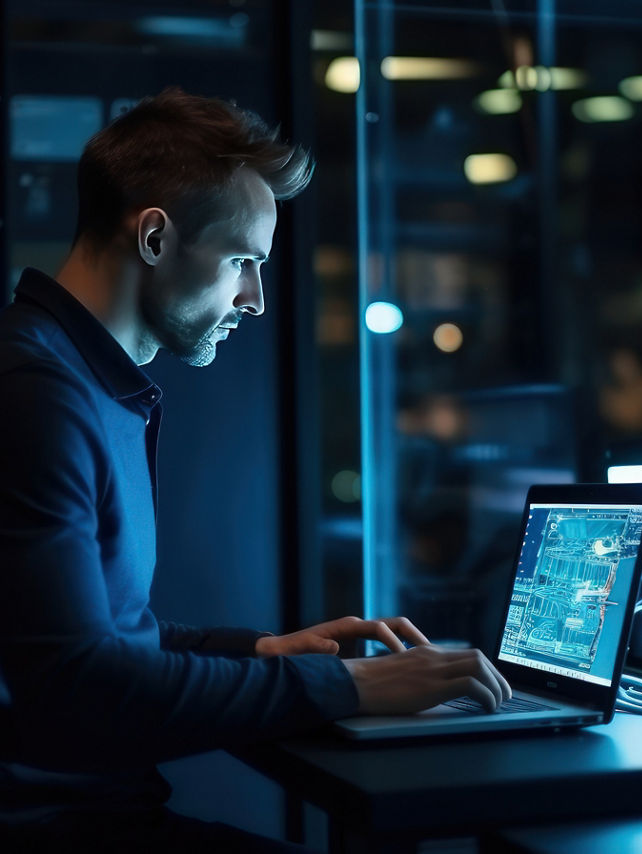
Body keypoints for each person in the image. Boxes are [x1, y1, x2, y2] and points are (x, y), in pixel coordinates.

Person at [0, 87, 510, 851]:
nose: (256, 298)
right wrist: (348, 684)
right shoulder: (38, 394)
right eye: (242, 261)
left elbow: (104, 632)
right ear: (154, 238)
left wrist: (258, 651)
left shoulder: (86, 380)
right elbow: (76, 685)